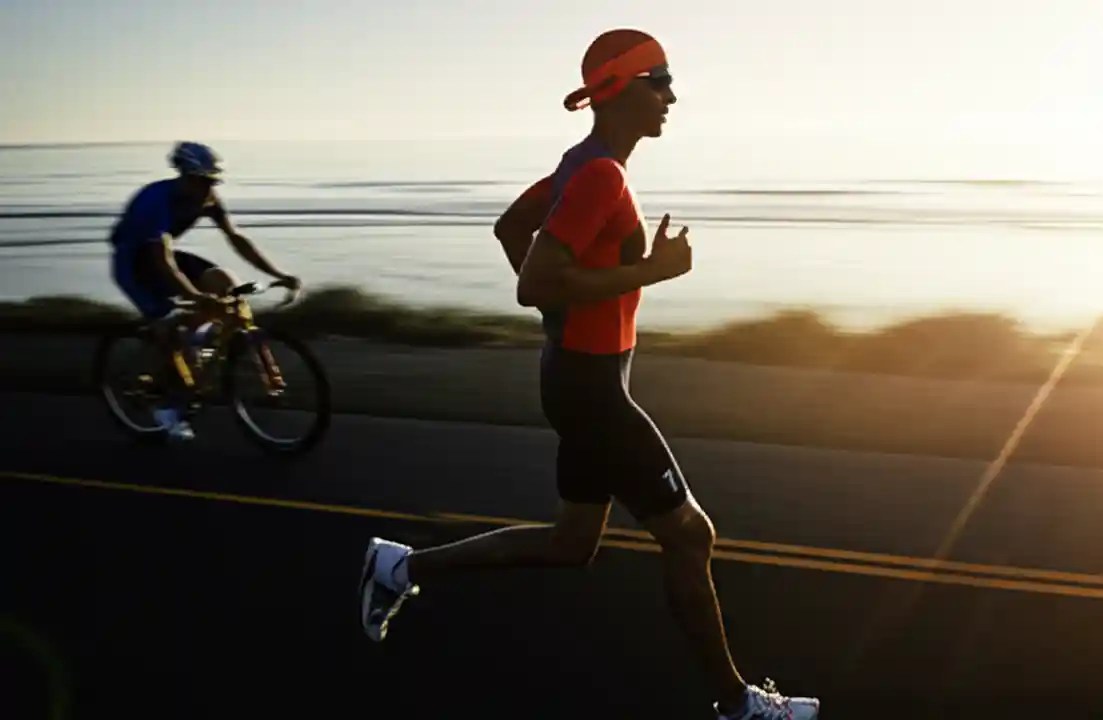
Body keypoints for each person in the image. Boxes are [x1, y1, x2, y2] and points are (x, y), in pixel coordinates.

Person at [356, 29, 819, 719]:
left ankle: (398, 566)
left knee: (572, 544)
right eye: (658, 78)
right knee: (691, 537)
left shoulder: (585, 164)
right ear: (620, 89)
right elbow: (536, 280)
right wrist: (647, 274)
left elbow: (512, 229)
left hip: (579, 378)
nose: (670, 93)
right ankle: (739, 706)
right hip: (591, 390)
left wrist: (567, 310)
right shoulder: (600, 173)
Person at [108, 141, 302, 441]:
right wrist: (194, 295)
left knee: (225, 283)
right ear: (184, 176)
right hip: (134, 263)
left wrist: (278, 274)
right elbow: (163, 260)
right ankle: (168, 408)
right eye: (201, 181)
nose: (207, 188)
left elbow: (235, 238)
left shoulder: (208, 199)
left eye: (212, 181)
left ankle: (208, 348)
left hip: (165, 256)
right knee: (171, 325)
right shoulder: (155, 200)